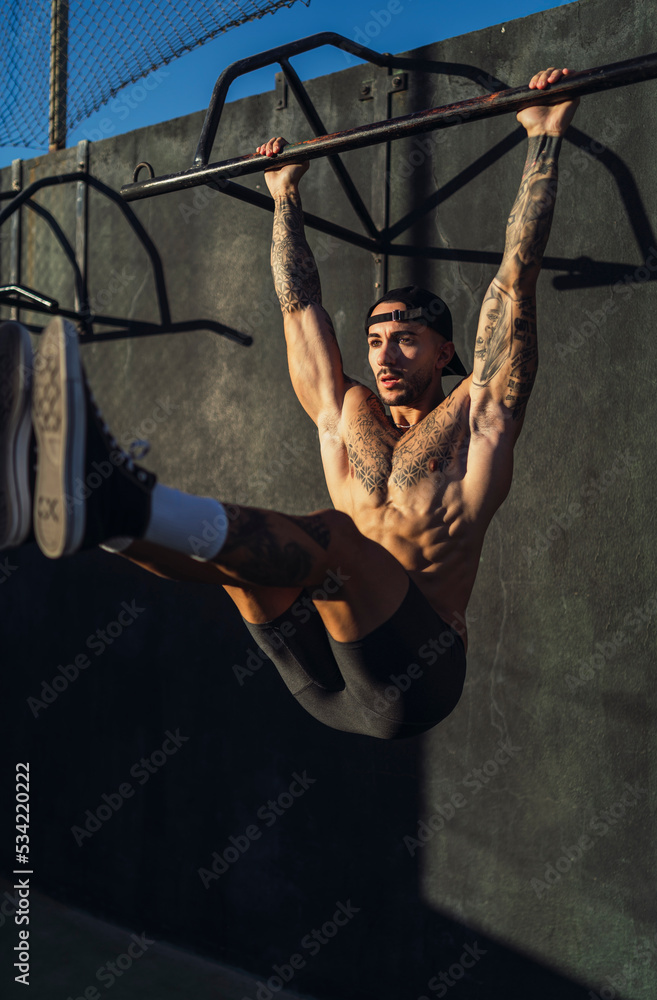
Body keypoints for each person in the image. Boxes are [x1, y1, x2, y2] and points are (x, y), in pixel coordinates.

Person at [0, 68, 579, 740]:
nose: (384, 356)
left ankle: (119, 494)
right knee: (240, 570)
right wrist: (284, 197)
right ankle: (93, 514)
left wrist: (543, 137)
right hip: (319, 674)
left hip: (417, 677)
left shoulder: (478, 421)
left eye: (406, 341)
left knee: (332, 537)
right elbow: (298, 304)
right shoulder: (344, 412)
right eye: (374, 340)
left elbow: (514, 279)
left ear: (445, 353)